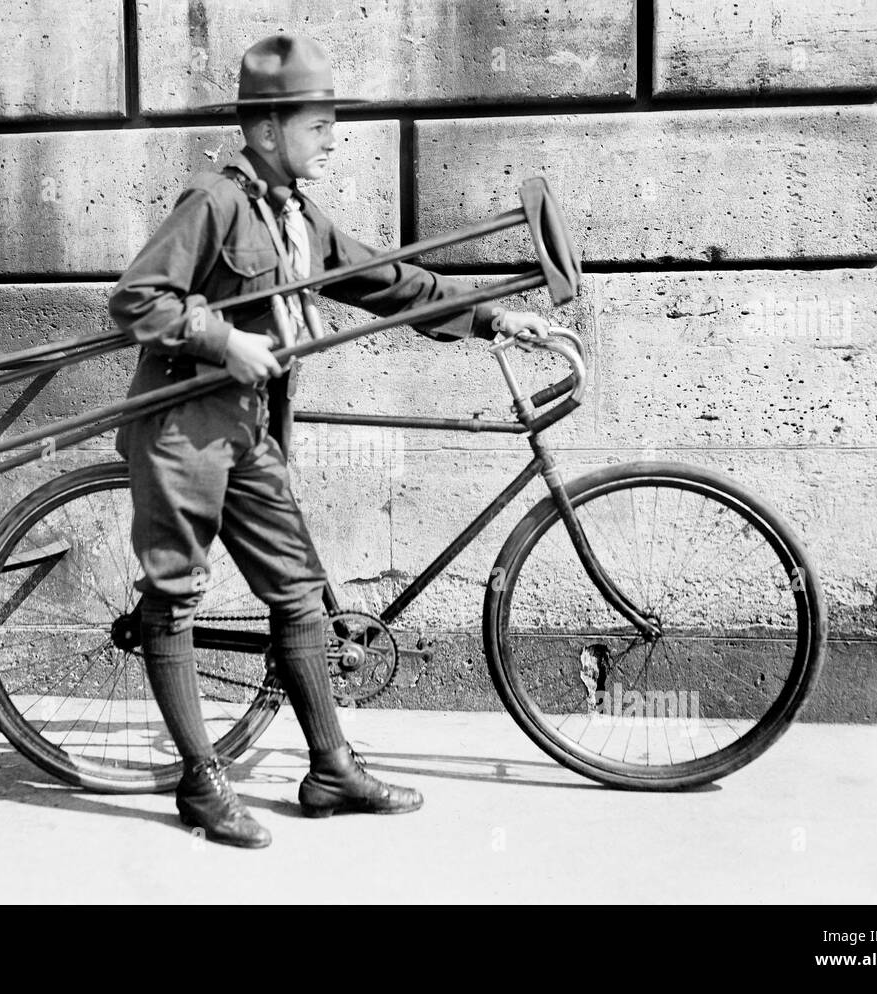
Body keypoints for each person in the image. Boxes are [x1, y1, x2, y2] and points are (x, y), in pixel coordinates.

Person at [108, 34, 552, 848]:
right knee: (174, 597)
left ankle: (330, 767)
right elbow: (137, 299)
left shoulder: (298, 219)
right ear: (270, 131)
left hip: (246, 429)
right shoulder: (212, 202)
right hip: (180, 427)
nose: (333, 139)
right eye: (319, 125)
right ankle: (202, 787)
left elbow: (390, 280)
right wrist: (220, 338)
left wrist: (493, 314)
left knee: (299, 592)